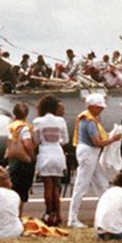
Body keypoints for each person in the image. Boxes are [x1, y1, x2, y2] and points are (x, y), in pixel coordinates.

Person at [66, 93, 122, 229]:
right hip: (89, 152)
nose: (101, 110)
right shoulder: (90, 121)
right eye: (99, 107)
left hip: (89, 152)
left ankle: (107, 214)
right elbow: (97, 142)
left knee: (102, 183)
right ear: (92, 106)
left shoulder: (89, 118)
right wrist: (113, 139)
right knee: (82, 185)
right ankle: (72, 218)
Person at [33, 95, 68, 225]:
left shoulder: (38, 121)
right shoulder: (60, 121)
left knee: (48, 186)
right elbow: (66, 140)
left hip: (45, 153)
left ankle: (48, 213)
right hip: (58, 153)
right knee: (56, 187)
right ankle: (58, 215)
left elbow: (36, 140)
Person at [5, 102, 36, 216]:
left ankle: (12, 214)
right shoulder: (25, 128)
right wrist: (32, 157)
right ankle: (18, 215)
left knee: (13, 188)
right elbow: (27, 144)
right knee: (22, 190)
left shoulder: (12, 126)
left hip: (13, 160)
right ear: (26, 113)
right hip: (23, 161)